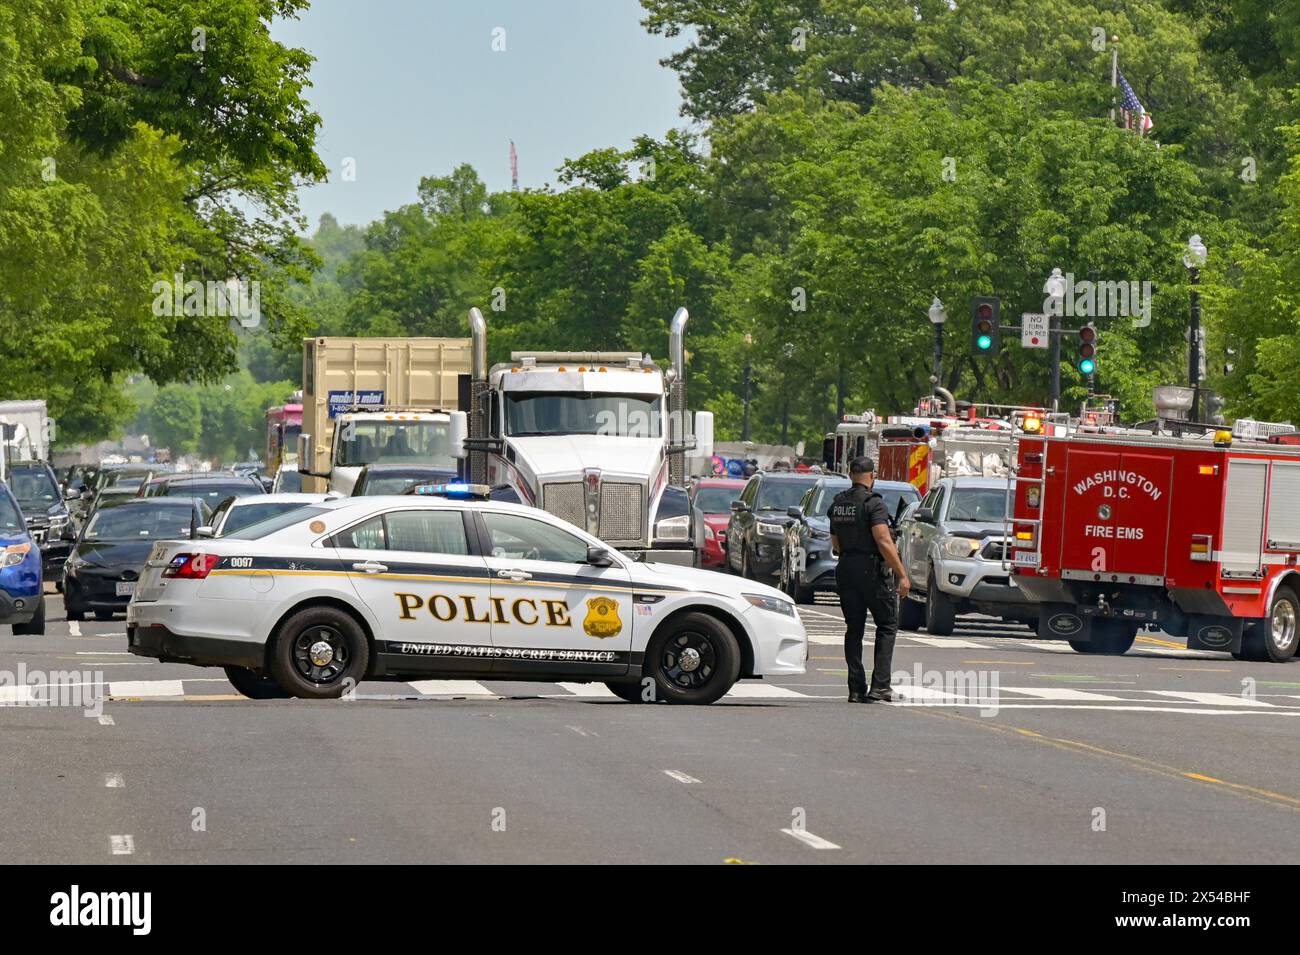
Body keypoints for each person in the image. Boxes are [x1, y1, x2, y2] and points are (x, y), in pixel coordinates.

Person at [827, 456, 911, 703]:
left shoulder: (838, 503)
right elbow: (884, 541)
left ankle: (855, 688)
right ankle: (881, 686)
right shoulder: (874, 504)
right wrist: (902, 575)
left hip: (845, 568)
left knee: (854, 629)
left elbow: (835, 544)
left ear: (851, 474)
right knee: (886, 625)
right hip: (870, 570)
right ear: (872, 476)